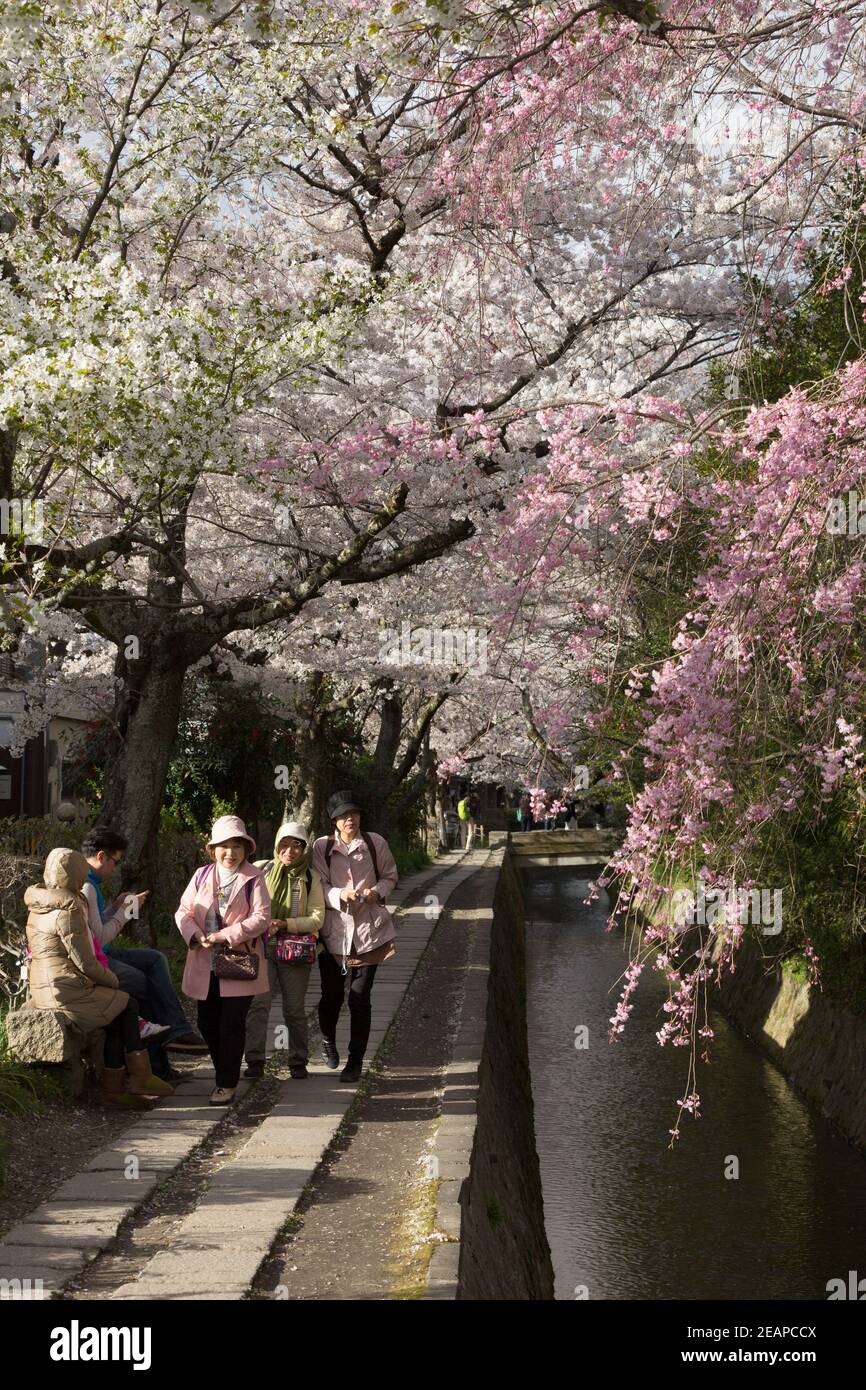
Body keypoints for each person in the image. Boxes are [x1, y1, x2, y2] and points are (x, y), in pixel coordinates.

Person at [24, 848, 173, 1108]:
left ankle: (121, 1087)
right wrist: (112, 980)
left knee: (116, 1013)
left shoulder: (41, 903)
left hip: (47, 988)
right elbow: (87, 963)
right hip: (68, 994)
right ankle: (136, 1078)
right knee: (126, 1002)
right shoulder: (67, 911)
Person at [81, 828, 207, 1082]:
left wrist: (115, 907)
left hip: (101, 953)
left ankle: (177, 1032)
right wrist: (125, 913)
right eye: (115, 862)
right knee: (143, 984)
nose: (115, 869)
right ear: (102, 856)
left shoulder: (90, 883)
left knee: (155, 959)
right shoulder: (86, 887)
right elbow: (99, 937)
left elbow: (93, 926)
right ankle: (159, 1063)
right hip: (94, 960)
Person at [175, 815, 271, 1105]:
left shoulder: (254, 878)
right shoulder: (202, 875)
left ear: (246, 849)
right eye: (224, 846)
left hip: (239, 962)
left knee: (232, 1022)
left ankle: (226, 1082)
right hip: (205, 962)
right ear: (213, 849)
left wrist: (226, 935)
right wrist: (195, 935)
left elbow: (262, 917)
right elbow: (183, 911)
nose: (231, 852)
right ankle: (224, 1070)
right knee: (207, 1022)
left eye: (237, 846)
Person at [312, 791, 398, 1085]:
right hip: (333, 935)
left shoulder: (375, 843)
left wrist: (377, 892)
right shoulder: (322, 847)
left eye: (355, 814)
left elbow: (390, 876)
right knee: (332, 997)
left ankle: (356, 1062)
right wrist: (339, 894)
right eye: (344, 815)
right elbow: (318, 886)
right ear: (334, 820)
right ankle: (327, 1039)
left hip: (369, 933)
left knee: (360, 999)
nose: (351, 819)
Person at [243, 820, 325, 1081]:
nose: (290, 851)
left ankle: (298, 1061)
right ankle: (254, 1060)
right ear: (277, 845)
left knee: (294, 1009)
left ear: (304, 850)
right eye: (285, 845)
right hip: (262, 948)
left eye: (296, 846)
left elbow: (317, 919)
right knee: (258, 1005)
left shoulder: (311, 877)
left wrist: (286, 924)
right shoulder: (260, 870)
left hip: (295, 952)